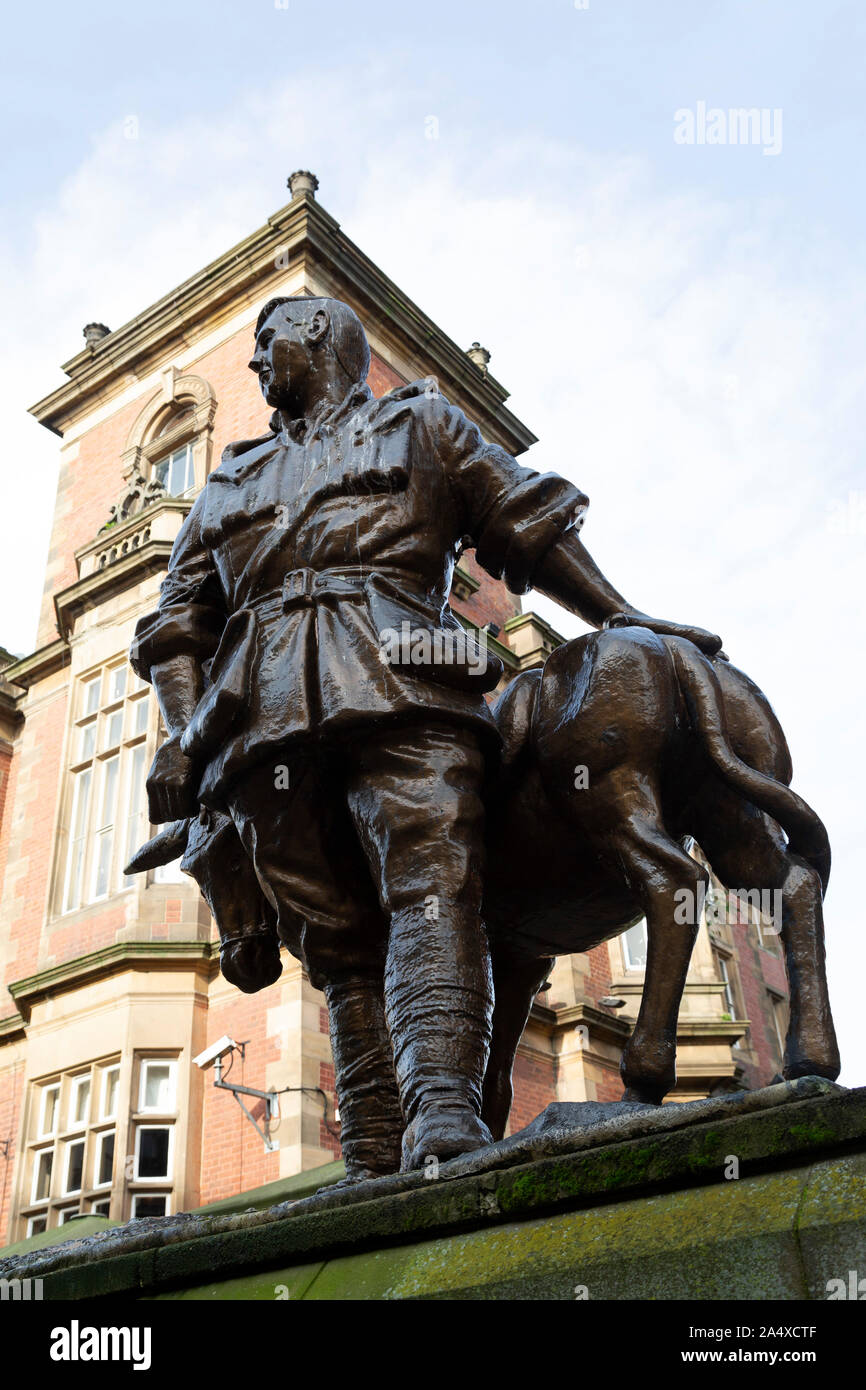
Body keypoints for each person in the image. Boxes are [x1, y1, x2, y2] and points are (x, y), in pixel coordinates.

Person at [130, 295, 721, 1177]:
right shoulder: (229, 482)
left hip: (405, 676)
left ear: (323, 337)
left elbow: (526, 525)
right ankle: (373, 1144)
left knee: (431, 881)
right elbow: (176, 627)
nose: (256, 365)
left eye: (268, 343)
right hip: (262, 719)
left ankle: (443, 1109)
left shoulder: (425, 426)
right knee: (333, 939)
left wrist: (623, 614)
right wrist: (183, 737)